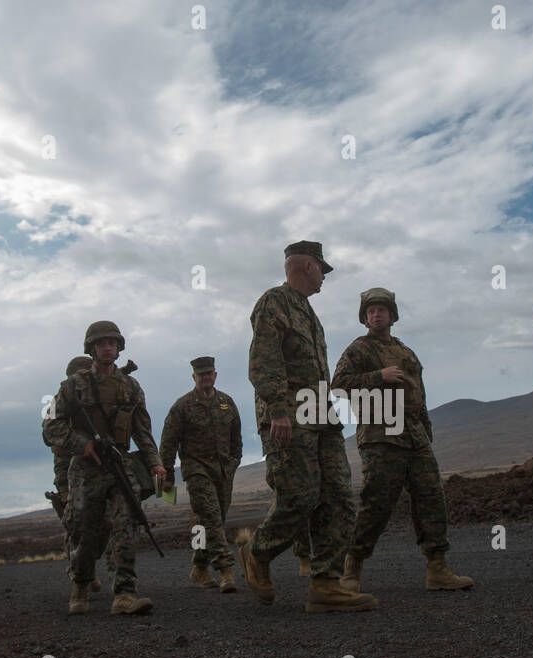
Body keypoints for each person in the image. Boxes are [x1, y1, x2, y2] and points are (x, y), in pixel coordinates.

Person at [236, 240, 378, 613]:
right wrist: (279, 411)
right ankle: (256, 553)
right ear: (306, 267)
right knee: (300, 496)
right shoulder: (274, 303)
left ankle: (326, 584)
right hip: (291, 413)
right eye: (321, 269)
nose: (324, 277)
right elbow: (263, 363)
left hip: (321, 412)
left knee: (339, 498)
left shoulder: (309, 314)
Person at [331, 287, 473, 592]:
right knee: (377, 504)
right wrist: (377, 376)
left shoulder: (406, 351)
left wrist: (426, 427)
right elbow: (339, 386)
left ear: (392, 315)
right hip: (381, 437)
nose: (376, 314)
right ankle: (351, 570)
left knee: (431, 498)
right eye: (370, 311)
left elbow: (418, 394)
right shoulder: (359, 350)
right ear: (364, 318)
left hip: (415, 435)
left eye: (381, 309)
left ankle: (438, 569)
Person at [43, 321, 166, 615]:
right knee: (86, 532)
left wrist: (156, 463)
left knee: (127, 524)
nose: (108, 347)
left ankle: (124, 594)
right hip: (85, 469)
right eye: (102, 344)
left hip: (119, 465)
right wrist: (80, 443)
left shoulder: (131, 387)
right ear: (92, 349)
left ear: (119, 347)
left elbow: (143, 432)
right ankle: (81, 585)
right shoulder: (73, 386)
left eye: (112, 343)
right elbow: (50, 427)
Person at [159, 356, 243, 593]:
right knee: (212, 518)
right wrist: (166, 475)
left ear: (215, 375)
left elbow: (236, 436)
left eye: (209, 374)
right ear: (194, 377)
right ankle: (226, 570)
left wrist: (235, 461)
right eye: (201, 375)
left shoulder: (227, 402)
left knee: (208, 522)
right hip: (196, 471)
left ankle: (199, 567)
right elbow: (168, 443)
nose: (205, 378)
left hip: (224, 471)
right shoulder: (182, 406)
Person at [45, 355, 105, 593]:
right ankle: (80, 575)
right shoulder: (59, 401)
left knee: (103, 524)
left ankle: (87, 569)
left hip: (95, 466)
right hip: (67, 469)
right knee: (74, 524)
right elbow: (49, 434)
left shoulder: (96, 396)